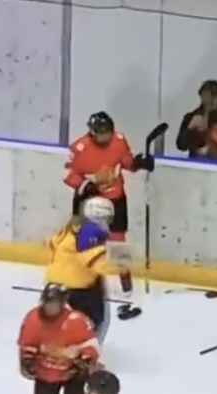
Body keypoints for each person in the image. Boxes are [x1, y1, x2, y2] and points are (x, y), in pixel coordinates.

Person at [63, 112, 154, 320]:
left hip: (115, 198)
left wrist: (140, 163)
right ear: (92, 132)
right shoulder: (79, 148)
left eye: (108, 132)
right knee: (83, 242)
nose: (105, 136)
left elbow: (127, 162)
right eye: (101, 133)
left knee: (118, 242)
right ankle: (79, 282)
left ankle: (126, 285)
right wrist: (85, 185)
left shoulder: (119, 141)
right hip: (88, 201)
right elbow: (68, 175)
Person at [18, 284, 102, 394]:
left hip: (73, 373)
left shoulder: (76, 320)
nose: (50, 307)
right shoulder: (33, 318)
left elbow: (90, 344)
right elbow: (27, 343)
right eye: (48, 303)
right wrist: (27, 360)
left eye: (55, 303)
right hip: (45, 373)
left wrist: (85, 362)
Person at [44, 196, 113, 342]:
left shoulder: (70, 227)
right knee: (98, 321)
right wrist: (119, 265)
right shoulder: (90, 232)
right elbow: (95, 262)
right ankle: (88, 354)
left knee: (52, 321)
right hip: (78, 290)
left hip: (52, 284)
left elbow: (51, 244)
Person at [174, 80, 217, 162]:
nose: (211, 100)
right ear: (201, 96)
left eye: (215, 96)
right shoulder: (191, 117)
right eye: (207, 95)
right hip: (196, 167)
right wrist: (191, 128)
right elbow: (181, 145)